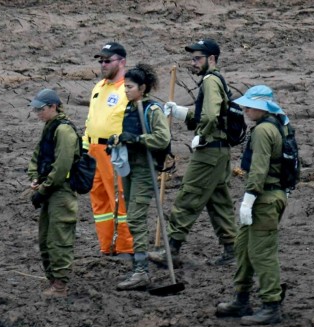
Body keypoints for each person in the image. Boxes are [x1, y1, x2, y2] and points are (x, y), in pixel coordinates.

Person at [153, 38, 237, 269]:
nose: (193, 62)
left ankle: (171, 250)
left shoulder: (210, 81)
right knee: (218, 200)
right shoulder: (216, 80)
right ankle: (233, 249)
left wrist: (203, 134)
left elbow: (209, 118)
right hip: (219, 152)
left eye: (198, 58)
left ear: (212, 59)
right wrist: (181, 113)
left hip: (208, 152)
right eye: (192, 58)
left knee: (188, 196)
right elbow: (208, 115)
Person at [215, 85, 291, 324]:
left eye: (250, 105)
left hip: (265, 198)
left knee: (261, 253)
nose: (246, 109)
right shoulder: (275, 124)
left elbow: (259, 169)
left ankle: (271, 305)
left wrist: (248, 199)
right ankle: (241, 299)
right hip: (267, 196)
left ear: (262, 107)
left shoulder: (263, 131)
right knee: (244, 247)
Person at [108, 64, 172, 290]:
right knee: (131, 215)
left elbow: (163, 139)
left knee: (135, 217)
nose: (126, 90)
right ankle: (139, 266)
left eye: (130, 87)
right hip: (130, 167)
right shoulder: (129, 108)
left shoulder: (152, 110)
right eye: (125, 86)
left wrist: (137, 140)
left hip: (145, 168)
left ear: (142, 88)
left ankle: (141, 271)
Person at [27, 88, 81, 297]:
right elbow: (38, 156)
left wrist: (43, 188)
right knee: (45, 237)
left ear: (53, 107)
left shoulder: (64, 131)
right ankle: (53, 280)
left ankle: (60, 286)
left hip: (61, 192)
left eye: (41, 109)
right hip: (51, 190)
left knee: (58, 238)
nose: (37, 113)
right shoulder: (50, 127)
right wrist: (35, 177)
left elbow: (62, 167)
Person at [84, 42, 134, 262]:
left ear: (121, 62)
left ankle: (125, 247)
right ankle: (107, 246)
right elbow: (91, 119)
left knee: (119, 198)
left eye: (107, 60)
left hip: (114, 150)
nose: (103, 64)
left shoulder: (128, 89)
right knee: (99, 199)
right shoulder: (99, 87)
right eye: (101, 61)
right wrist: (84, 149)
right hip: (93, 150)